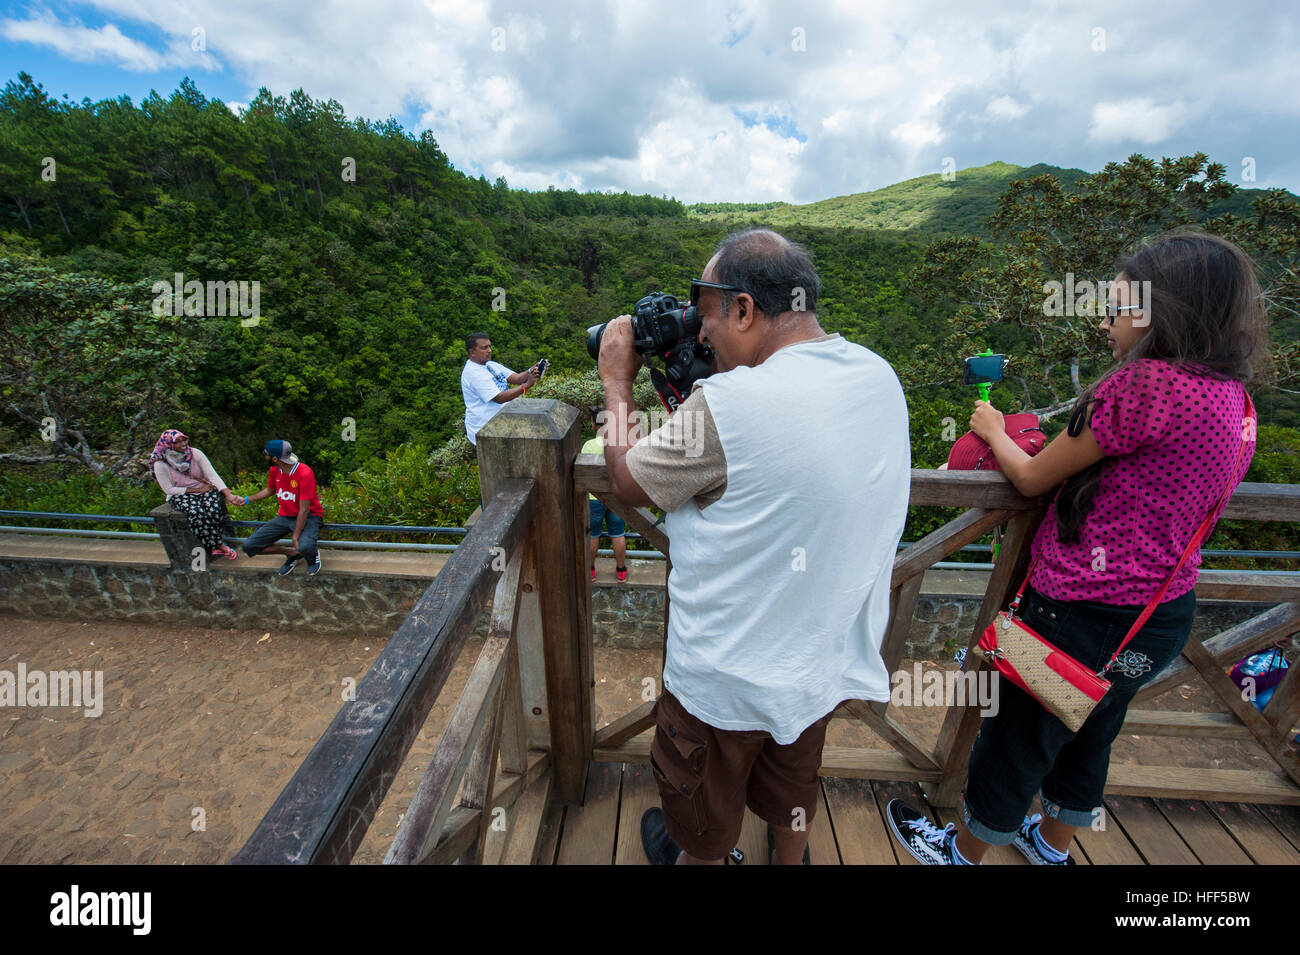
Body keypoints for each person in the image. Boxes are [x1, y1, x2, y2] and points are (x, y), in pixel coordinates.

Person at [887, 232, 1267, 865]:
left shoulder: (1145, 384)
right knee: (1092, 732)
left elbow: (1033, 477)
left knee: (1016, 741)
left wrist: (989, 427)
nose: (1106, 323)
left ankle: (961, 852)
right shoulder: (1238, 401)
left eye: (1118, 310)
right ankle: (1052, 843)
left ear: (1162, 314)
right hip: (1161, 614)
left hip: (1076, 613)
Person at [600, 228, 911, 865]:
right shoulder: (879, 376)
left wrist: (616, 383)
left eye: (707, 314)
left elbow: (628, 480)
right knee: (791, 794)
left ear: (745, 310)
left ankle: (703, 853)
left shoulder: (729, 406)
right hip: (816, 668)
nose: (700, 332)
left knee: (703, 826)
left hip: (724, 683)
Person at [150, 429, 242, 560]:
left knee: (214, 509)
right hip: (181, 494)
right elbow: (168, 489)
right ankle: (219, 545)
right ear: (168, 444)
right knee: (196, 513)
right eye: (178, 441)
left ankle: (214, 545)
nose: (183, 443)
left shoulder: (195, 454)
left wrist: (227, 493)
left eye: (184, 439)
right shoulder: (160, 464)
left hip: (205, 489)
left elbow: (212, 475)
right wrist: (194, 491)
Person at [238, 440, 325, 576]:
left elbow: (304, 510)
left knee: (305, 546)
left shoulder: (304, 473)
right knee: (249, 546)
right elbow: (269, 490)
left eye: (265, 454)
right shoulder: (275, 470)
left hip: (309, 516)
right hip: (285, 516)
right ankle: (292, 554)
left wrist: (295, 537)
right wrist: (246, 499)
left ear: (275, 458)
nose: (264, 456)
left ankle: (312, 557)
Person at [461, 333, 540, 445]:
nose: (489, 350)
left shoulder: (491, 365)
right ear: (472, 352)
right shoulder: (473, 373)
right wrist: (526, 385)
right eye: (484, 348)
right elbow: (499, 398)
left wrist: (531, 370)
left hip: (501, 423)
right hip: (486, 430)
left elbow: (516, 378)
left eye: (489, 346)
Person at [582, 407, 628, 582]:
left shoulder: (588, 446)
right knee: (618, 533)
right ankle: (621, 570)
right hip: (616, 497)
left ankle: (591, 570)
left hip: (594, 498)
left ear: (593, 424)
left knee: (592, 535)